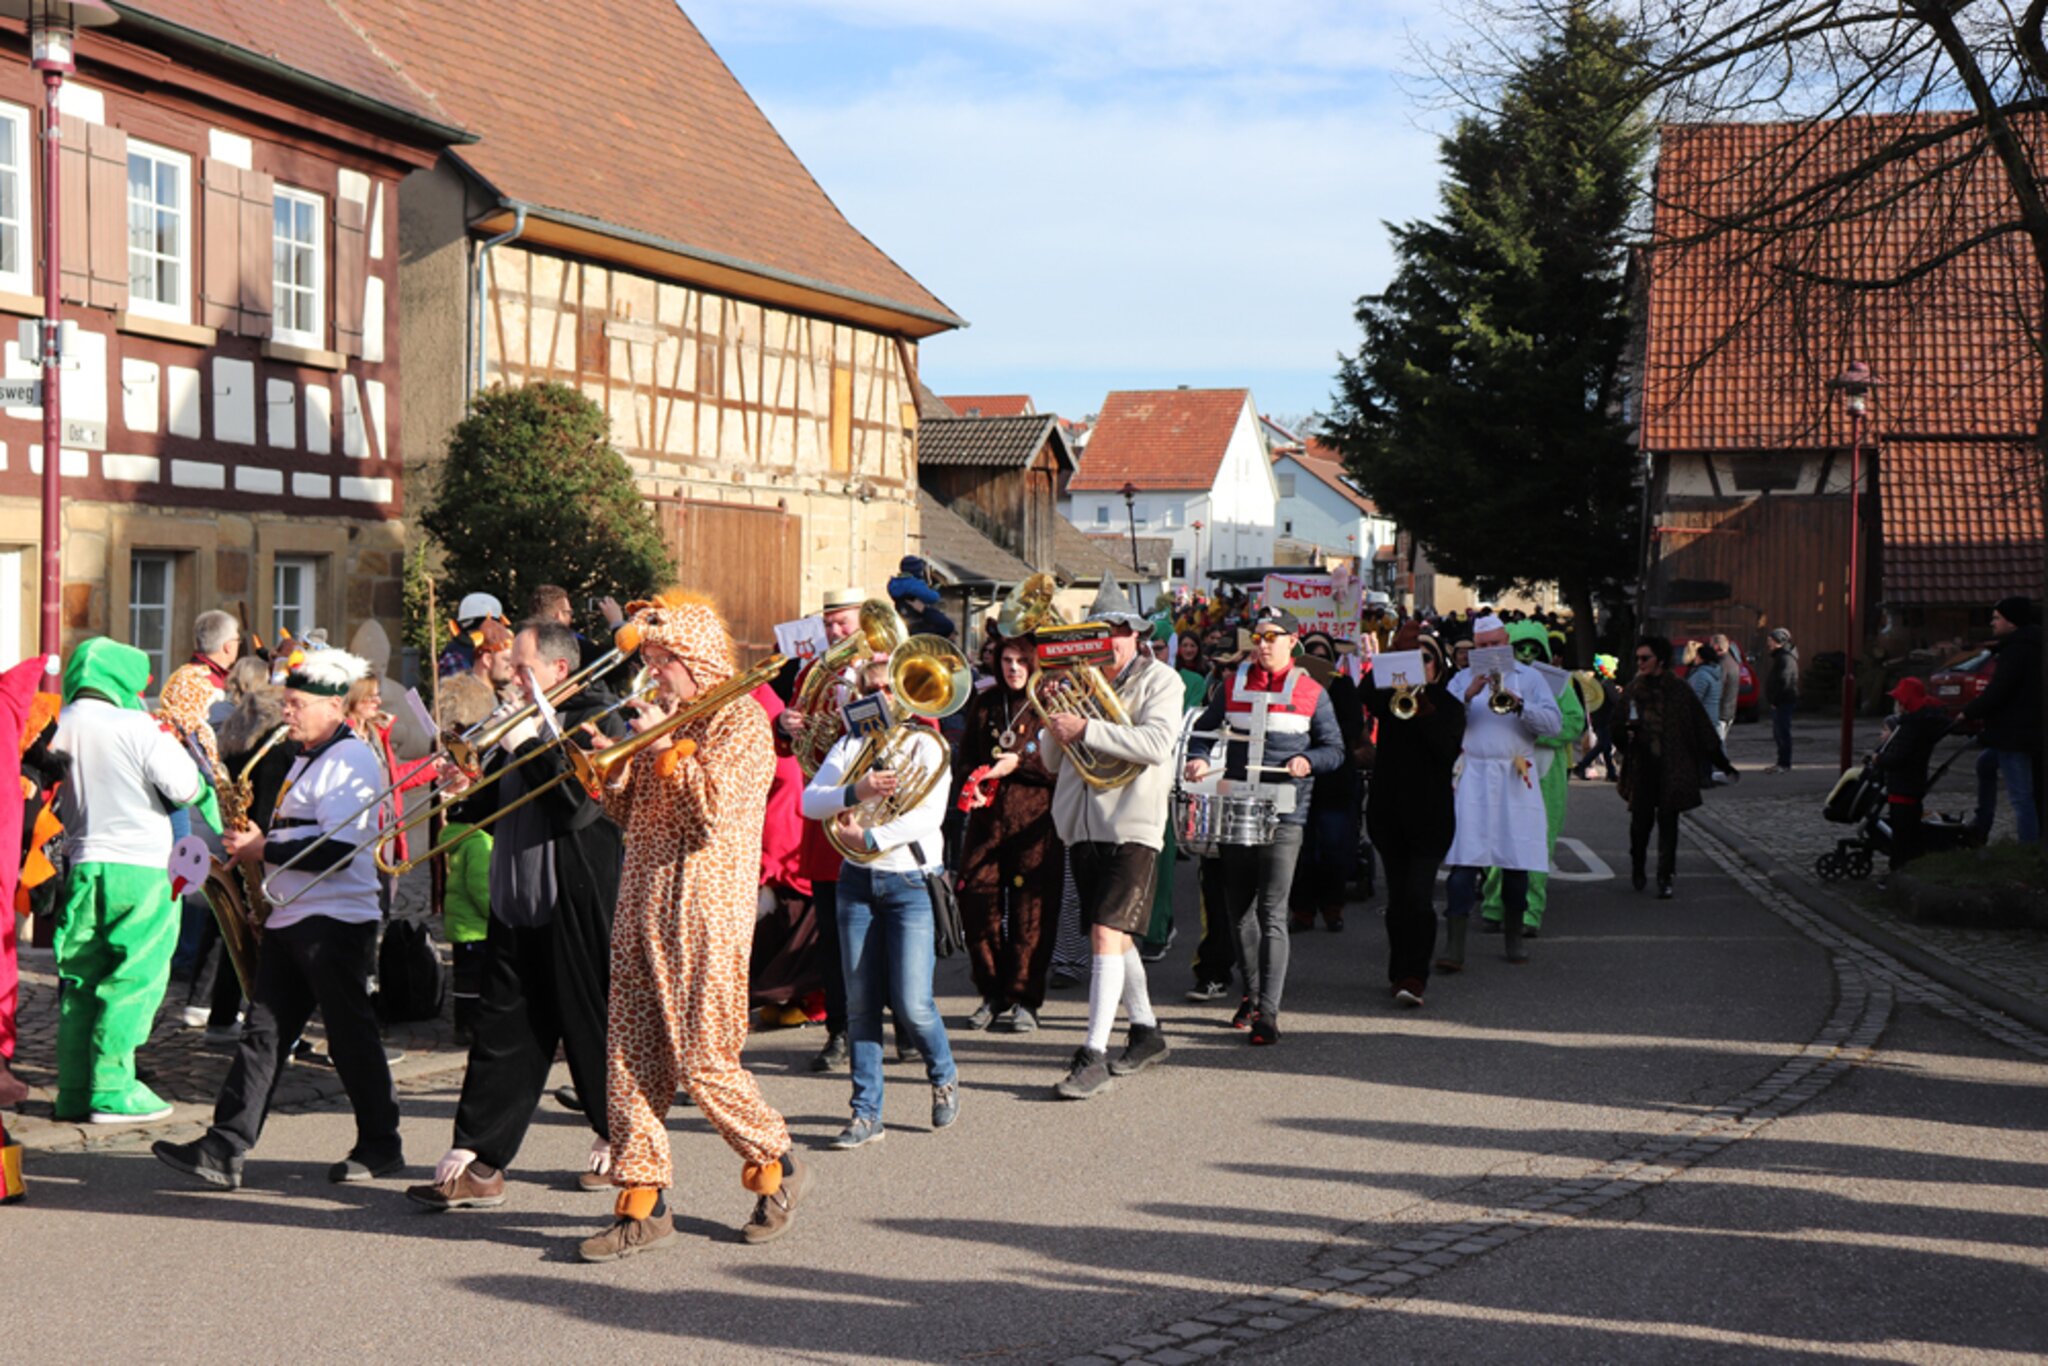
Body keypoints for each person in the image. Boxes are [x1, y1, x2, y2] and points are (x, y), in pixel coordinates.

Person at [582, 591, 807, 1261]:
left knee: (705, 1061)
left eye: (663, 662)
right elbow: (634, 818)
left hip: (706, 911)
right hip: (643, 903)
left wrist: (669, 748)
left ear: (697, 658)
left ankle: (777, 1168)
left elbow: (708, 813)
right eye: (649, 661)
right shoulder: (670, 720)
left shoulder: (740, 723)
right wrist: (613, 769)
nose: (655, 676)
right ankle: (642, 1204)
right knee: (628, 1060)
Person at [154, 650, 401, 1187]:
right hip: (296, 915)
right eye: (286, 703)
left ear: (334, 706)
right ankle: (225, 1145)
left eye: (296, 704)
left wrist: (264, 846)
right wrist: (263, 891)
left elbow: (340, 845)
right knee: (263, 1032)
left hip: (335, 920)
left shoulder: (350, 759)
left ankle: (382, 1143)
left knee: (348, 1033)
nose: (286, 713)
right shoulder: (304, 756)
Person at [407, 621, 628, 1212]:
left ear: (559, 670)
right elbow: (505, 801)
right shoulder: (520, 723)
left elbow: (577, 808)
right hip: (517, 896)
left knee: (592, 1026)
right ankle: (480, 1159)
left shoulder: (598, 717)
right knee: (503, 1032)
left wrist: (528, 742)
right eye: (513, 669)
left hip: (578, 900)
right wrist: (468, 786)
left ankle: (625, 1140)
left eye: (523, 669)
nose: (512, 679)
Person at [50, 639, 214, 1123]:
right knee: (134, 978)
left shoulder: (58, 724)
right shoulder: (136, 725)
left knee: (80, 980)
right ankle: (113, 1086)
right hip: (142, 867)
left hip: (82, 865)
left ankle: (74, 1089)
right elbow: (185, 787)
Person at [801, 659, 960, 1149]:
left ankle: (944, 1074)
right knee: (859, 1002)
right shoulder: (850, 743)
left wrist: (869, 834)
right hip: (856, 884)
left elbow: (928, 818)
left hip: (909, 883)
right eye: (870, 689)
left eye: (888, 688)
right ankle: (866, 1113)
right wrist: (858, 790)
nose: (878, 697)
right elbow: (810, 802)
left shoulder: (926, 745)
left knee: (913, 1003)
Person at [1045, 575, 1183, 1098]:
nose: (1111, 641)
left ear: (1136, 635)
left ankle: (1093, 1054)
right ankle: (1145, 1030)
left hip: (1132, 824)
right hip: (1081, 825)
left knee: (1104, 932)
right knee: (1116, 936)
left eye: (1120, 631)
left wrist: (1087, 728)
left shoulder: (1160, 680)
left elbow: (1155, 743)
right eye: (1101, 633)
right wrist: (1056, 723)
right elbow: (1052, 760)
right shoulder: (1078, 683)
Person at [1183, 608, 1344, 1045]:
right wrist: (1197, 757)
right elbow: (1202, 731)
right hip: (1236, 806)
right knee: (1239, 915)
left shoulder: (1312, 691)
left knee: (1272, 912)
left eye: (1274, 636)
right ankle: (1252, 996)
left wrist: (1308, 759)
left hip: (1285, 812)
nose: (1264, 643)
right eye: (1259, 636)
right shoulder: (1232, 683)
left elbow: (1335, 750)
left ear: (1293, 641)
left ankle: (1267, 1014)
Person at [775, 586, 907, 1073]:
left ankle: (903, 1024)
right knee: (832, 933)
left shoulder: (892, 668)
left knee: (891, 924)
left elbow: (921, 728)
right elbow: (794, 747)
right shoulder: (813, 673)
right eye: (828, 625)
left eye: (843, 624)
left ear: (866, 623)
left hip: (884, 808)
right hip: (832, 810)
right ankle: (840, 1030)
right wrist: (786, 726)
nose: (834, 633)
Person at [1437, 615, 1563, 968]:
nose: (1490, 651)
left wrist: (1520, 704)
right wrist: (1467, 696)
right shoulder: (1461, 680)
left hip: (1514, 773)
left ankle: (1514, 936)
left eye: (1496, 645)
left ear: (1506, 642)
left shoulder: (1532, 678)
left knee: (1516, 859)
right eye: (1483, 646)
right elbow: (1443, 727)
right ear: (1474, 648)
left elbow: (1553, 725)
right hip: (1474, 773)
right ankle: (1454, 946)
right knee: (1464, 859)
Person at [954, 637, 1062, 1033]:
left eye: (1020, 660)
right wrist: (974, 783)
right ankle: (992, 992)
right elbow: (965, 757)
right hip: (987, 824)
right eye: (1006, 660)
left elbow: (1062, 768)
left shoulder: (1050, 703)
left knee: (1031, 914)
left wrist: (1022, 763)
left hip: (1036, 826)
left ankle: (1025, 999)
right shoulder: (984, 703)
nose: (1013, 668)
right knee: (976, 904)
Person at [1363, 628, 1464, 1006]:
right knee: (1398, 898)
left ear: (1438, 667)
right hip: (1389, 812)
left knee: (1419, 899)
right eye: (1412, 656)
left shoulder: (1449, 704)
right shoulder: (1389, 697)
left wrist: (1424, 711)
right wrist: (1390, 661)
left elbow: (1444, 750)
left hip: (1430, 816)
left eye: (1426, 657)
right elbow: (1364, 695)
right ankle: (1398, 971)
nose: (1419, 663)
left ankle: (1413, 976)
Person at [1479, 622, 1586, 936]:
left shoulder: (1558, 684)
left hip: (1543, 774)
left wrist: (1539, 731)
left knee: (1537, 845)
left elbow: (1573, 723)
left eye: (1534, 650)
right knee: (1495, 841)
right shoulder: (1492, 678)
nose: (1526, 655)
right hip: (1501, 771)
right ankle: (1494, 906)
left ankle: (1529, 912)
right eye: (1521, 648)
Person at [1619, 636, 1740, 898]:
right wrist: (1625, 741)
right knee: (1640, 826)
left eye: (1645, 658)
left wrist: (1723, 763)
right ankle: (1637, 866)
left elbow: (1702, 730)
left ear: (1660, 660)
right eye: (1637, 658)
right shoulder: (1633, 690)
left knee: (1668, 825)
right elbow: (1616, 727)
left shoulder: (1679, 690)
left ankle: (1666, 876)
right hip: (1642, 768)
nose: (1639, 663)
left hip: (1671, 768)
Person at [1289, 631, 1365, 933]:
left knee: (1335, 848)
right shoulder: (1293, 686)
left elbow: (1353, 725)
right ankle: (1303, 910)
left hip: (1335, 778)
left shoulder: (1343, 685)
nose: (1318, 659)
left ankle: (1333, 907)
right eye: (1312, 654)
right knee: (1303, 850)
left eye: (1323, 655)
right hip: (1301, 775)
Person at [1963, 596, 2040, 844]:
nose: (1992, 623)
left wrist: (1970, 711)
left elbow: (2000, 689)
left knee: (2021, 795)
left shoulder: (2016, 651)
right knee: (1985, 765)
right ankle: (1982, 822)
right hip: (2017, 730)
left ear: (2012, 622)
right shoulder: (2029, 646)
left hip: (2014, 733)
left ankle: (2029, 847)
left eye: (1997, 618)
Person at [1870, 677, 1952, 872]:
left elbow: (1899, 757)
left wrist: (1878, 759)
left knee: (1902, 834)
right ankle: (1909, 865)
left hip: (1902, 785)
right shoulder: (1923, 724)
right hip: (1912, 784)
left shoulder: (1910, 727)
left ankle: (1899, 869)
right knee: (1909, 829)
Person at [888, 556, 956, 640]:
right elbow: (933, 598)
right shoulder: (914, 584)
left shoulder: (895, 584)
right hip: (918, 626)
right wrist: (925, 609)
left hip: (905, 625)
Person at [1763, 628, 1799, 773]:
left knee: (1782, 733)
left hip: (1783, 702)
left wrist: (1775, 700)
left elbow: (1784, 681)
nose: (1768, 644)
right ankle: (1781, 762)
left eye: (1770, 641)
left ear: (1778, 642)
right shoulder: (1782, 657)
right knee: (1779, 733)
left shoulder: (1785, 658)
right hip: (1781, 701)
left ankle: (1784, 764)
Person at [1711, 632, 1742, 743]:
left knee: (1717, 746)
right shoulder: (1733, 661)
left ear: (1716, 646)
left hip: (1720, 712)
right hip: (1730, 711)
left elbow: (1718, 689)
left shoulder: (1722, 664)